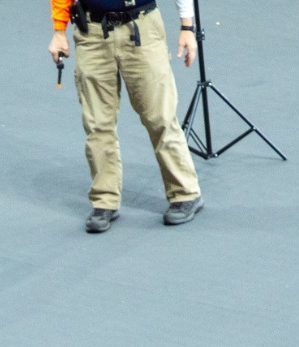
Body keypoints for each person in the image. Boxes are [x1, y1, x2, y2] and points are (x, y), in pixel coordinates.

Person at [48, 0, 202, 232]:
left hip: (142, 27)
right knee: (97, 123)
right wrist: (59, 30)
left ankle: (185, 192)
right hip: (92, 33)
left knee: (160, 117)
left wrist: (187, 27)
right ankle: (104, 200)